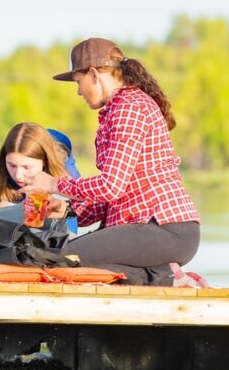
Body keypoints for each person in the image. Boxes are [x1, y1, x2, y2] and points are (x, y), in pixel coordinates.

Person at [22, 38, 202, 286]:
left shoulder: (129, 107)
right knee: (88, 269)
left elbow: (110, 186)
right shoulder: (119, 108)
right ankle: (166, 275)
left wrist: (53, 183)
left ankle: (167, 276)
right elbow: (113, 198)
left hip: (164, 228)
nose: (78, 91)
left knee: (59, 259)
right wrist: (67, 211)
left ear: (94, 74)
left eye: (78, 82)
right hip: (150, 229)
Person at [0, 122, 81, 236]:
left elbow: (69, 237)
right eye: (12, 165)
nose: (18, 175)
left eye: (26, 167)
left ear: (44, 161)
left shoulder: (65, 178)